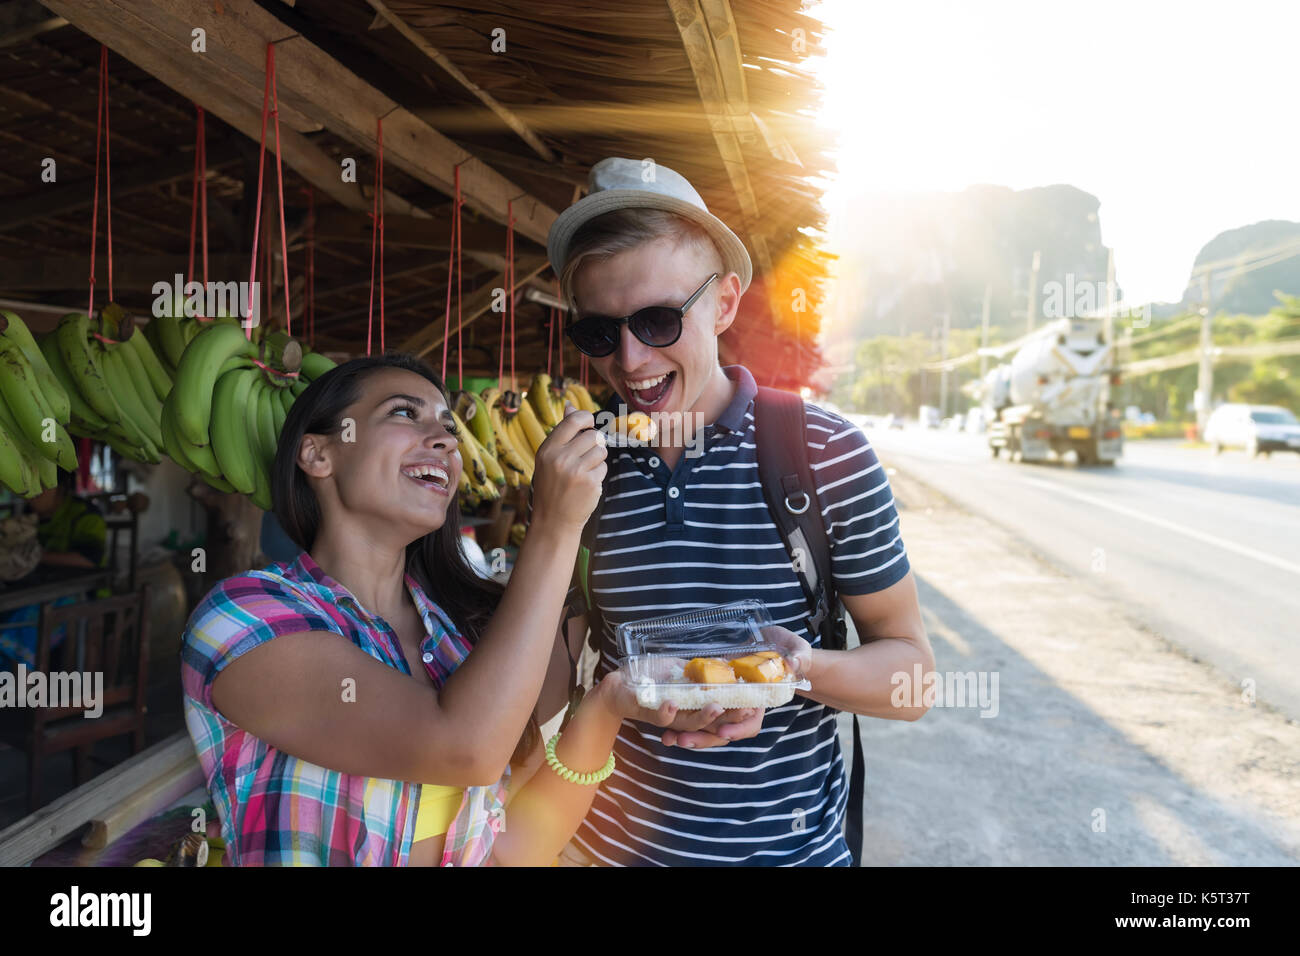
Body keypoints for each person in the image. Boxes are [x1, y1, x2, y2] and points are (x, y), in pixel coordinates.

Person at [179, 353, 739, 866]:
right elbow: (465, 748)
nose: (447, 441)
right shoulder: (246, 618)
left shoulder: (456, 638)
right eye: (406, 414)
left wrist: (609, 703)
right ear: (319, 452)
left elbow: (511, 849)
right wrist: (551, 525)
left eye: (449, 428)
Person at [542, 157, 936, 866]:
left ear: (723, 304)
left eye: (659, 321)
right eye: (599, 332)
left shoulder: (822, 451)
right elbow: (552, 665)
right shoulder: (578, 465)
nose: (630, 361)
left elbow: (912, 679)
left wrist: (793, 669)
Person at [0, 471, 108, 670]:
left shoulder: (84, 513)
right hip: (35, 593)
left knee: (23, 624)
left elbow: (89, 560)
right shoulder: (26, 516)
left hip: (81, 596)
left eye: (39, 489)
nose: (32, 495)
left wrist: (36, 555)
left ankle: (24, 692)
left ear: (58, 487)